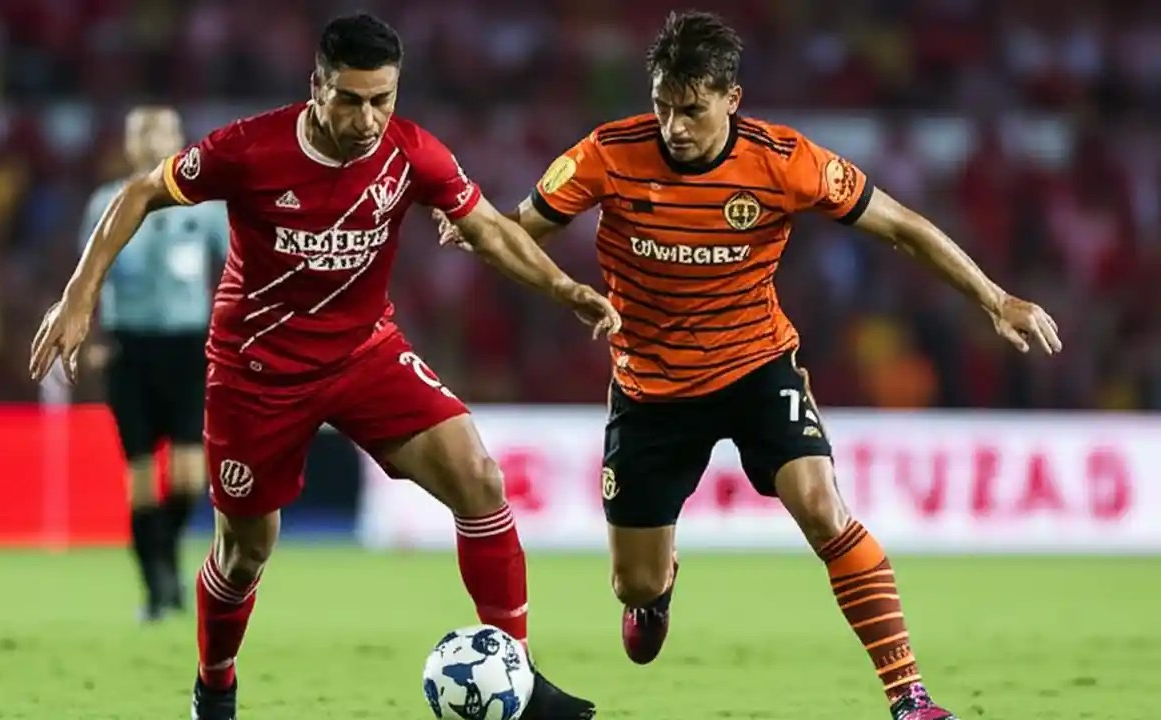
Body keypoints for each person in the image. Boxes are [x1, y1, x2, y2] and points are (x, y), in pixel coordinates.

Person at [437, 11, 1061, 720]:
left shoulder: (784, 160)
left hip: (756, 367)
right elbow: (523, 230)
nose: (675, 125)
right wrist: (480, 226)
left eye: (693, 110)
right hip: (650, 390)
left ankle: (909, 696)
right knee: (633, 588)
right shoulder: (606, 154)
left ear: (731, 99)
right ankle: (656, 592)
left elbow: (904, 227)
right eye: (663, 106)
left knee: (824, 510)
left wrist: (994, 298)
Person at [29, 13, 614, 720]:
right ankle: (214, 685)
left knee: (479, 479)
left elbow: (486, 228)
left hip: (365, 354)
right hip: (256, 373)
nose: (368, 119)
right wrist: (78, 296)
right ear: (317, 87)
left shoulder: (412, 152)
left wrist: (566, 289)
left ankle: (516, 678)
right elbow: (139, 192)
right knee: (246, 553)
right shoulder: (247, 148)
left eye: (382, 100)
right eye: (350, 99)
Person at [79, 106, 228, 622]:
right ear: (128, 144)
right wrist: (91, 335)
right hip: (130, 349)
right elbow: (90, 278)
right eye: (141, 133)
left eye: (161, 131)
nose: (151, 141)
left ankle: (161, 550)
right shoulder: (107, 202)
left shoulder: (206, 207)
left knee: (190, 476)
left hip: (190, 348)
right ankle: (158, 585)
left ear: (179, 139)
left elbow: (237, 266)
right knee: (140, 473)